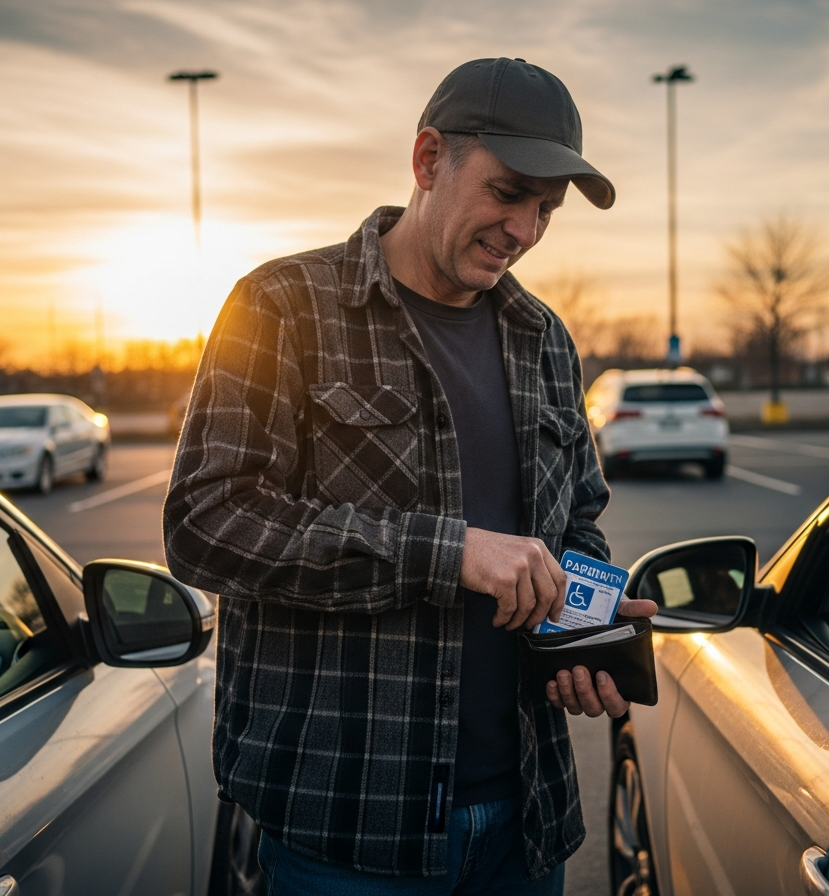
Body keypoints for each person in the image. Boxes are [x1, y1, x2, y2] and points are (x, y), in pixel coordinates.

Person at [164, 57, 657, 895]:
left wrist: (580, 628)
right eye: (508, 194)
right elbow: (207, 527)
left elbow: (575, 519)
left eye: (546, 210)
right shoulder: (282, 306)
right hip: (347, 831)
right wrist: (449, 552)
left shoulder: (545, 339)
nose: (526, 231)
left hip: (526, 822)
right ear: (430, 160)